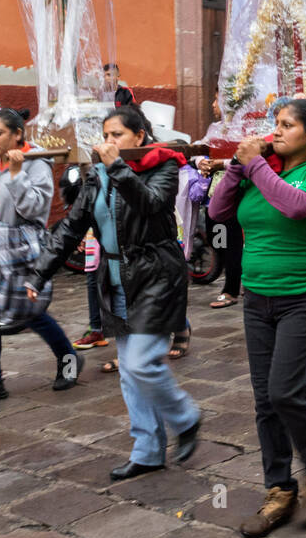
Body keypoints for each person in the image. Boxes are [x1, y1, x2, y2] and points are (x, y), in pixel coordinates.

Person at [28, 107, 201, 475]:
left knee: (140, 362)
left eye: (117, 135)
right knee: (128, 373)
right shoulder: (97, 175)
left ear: (139, 137)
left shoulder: (164, 165)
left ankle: (185, 418)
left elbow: (152, 204)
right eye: (106, 135)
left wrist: (119, 168)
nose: (109, 143)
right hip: (115, 278)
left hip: (154, 274)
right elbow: (72, 227)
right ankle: (147, 451)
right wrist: (39, 274)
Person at [207, 99, 306, 538]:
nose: (277, 132)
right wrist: (236, 168)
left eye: (288, 125)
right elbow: (217, 213)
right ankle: (279, 489)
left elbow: (297, 208)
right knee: (265, 400)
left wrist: (257, 168)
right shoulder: (259, 168)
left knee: (286, 392)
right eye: (275, 125)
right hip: (257, 297)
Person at [0, 109, 83, 406]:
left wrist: (15, 174)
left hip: (17, 255)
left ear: (18, 134)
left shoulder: (36, 165)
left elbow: (34, 210)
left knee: (31, 313)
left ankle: (69, 360)